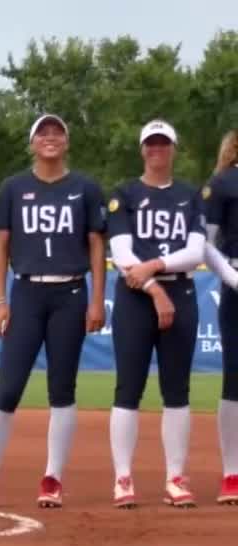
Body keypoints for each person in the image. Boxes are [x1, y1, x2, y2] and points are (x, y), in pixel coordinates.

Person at [0, 113, 107, 509]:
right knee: (8, 388)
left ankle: (52, 478)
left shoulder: (85, 188)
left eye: (57, 132)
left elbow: (96, 245)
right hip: (27, 293)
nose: (50, 138)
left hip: (71, 293)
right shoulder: (14, 187)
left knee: (62, 389)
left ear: (67, 141)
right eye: (42, 133)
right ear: (31, 143)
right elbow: (1, 246)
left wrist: (97, 298)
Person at [105, 120, 206, 508]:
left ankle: (176, 478)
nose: (157, 149)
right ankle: (123, 478)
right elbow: (122, 254)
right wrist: (153, 287)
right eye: (151, 143)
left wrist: (154, 267)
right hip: (136, 296)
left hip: (179, 289)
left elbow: (195, 253)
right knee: (128, 389)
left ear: (173, 150)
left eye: (163, 143)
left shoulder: (190, 195)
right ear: (142, 149)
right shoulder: (125, 193)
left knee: (177, 391)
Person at [201, 129, 238, 505]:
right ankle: (232, 472)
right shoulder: (224, 183)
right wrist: (232, 277)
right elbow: (205, 244)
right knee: (235, 378)